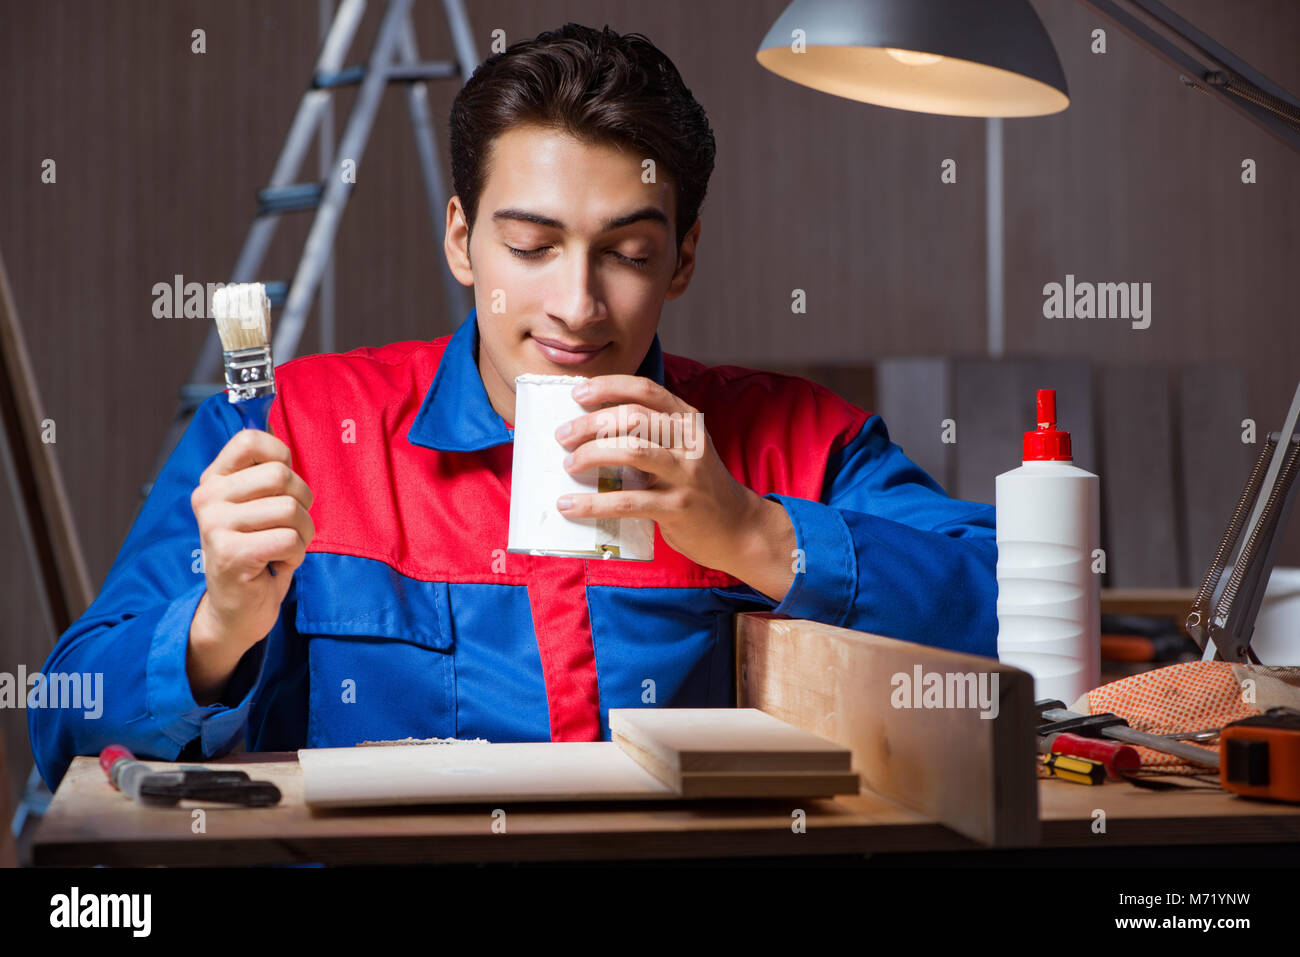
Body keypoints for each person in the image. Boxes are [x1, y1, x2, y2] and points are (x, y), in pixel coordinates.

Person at [30, 23, 998, 790]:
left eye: (626, 252)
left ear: (684, 257)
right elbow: (65, 721)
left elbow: (1016, 614)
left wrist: (754, 532)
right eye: (531, 246)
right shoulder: (290, 431)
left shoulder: (797, 442)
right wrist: (217, 629)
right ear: (461, 240)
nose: (577, 306)